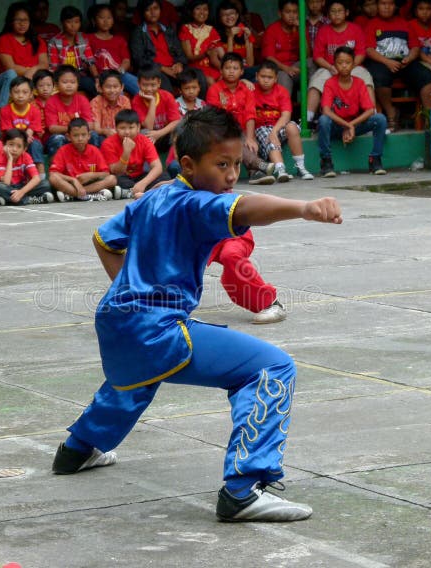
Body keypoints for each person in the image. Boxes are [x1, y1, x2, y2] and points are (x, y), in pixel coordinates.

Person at [51, 106, 343, 524]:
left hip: (118, 321)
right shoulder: (197, 204)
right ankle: (245, 489)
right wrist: (302, 208)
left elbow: (104, 239)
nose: (230, 175)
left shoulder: (156, 194)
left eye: (236, 164)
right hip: (156, 329)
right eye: (221, 164)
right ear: (189, 164)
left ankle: (77, 450)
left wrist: (127, 289)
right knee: (272, 367)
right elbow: (245, 207)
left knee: (143, 370)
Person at [363, 0, 431, 132]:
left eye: (390, 3)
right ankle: (391, 112)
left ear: (395, 6)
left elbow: (415, 47)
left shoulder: (404, 24)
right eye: (383, 3)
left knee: (427, 77)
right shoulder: (371, 24)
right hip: (381, 62)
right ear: (378, 5)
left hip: (405, 63)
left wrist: (409, 58)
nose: (387, 7)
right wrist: (387, 62)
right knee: (379, 77)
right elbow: (368, 50)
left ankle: (430, 119)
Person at [318, 46, 387, 177]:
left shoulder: (360, 83)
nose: (344, 66)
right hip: (336, 126)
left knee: (380, 119)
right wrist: (346, 125)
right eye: (340, 63)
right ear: (335, 64)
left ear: (353, 64)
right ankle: (326, 162)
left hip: (354, 124)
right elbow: (326, 111)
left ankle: (375, 159)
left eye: (348, 62)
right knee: (323, 120)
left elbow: (369, 110)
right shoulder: (330, 83)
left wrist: (351, 125)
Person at [207, 53, 275, 186]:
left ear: (242, 71)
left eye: (235, 68)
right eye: (227, 68)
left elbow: (250, 114)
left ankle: (255, 173)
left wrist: (250, 137)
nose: (231, 71)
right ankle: (259, 164)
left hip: (243, 131)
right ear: (221, 70)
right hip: (221, 131)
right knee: (236, 139)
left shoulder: (246, 89)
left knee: (247, 141)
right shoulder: (214, 90)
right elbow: (214, 117)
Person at [306, 0, 374, 127]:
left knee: (365, 77)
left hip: (352, 67)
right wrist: (330, 67)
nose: (336, 14)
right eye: (333, 11)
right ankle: (308, 118)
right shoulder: (324, 31)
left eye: (340, 11)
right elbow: (317, 56)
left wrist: (350, 67)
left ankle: (372, 116)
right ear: (328, 15)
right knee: (318, 78)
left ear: (347, 13)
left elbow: (361, 53)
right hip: (330, 68)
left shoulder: (355, 29)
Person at [254, 61, 314, 181]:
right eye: (263, 76)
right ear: (256, 76)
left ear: (276, 78)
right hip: (260, 129)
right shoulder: (251, 90)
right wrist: (272, 134)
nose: (266, 80)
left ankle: (301, 167)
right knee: (269, 137)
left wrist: (275, 131)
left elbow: (286, 116)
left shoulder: (281, 91)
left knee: (292, 126)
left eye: (270, 77)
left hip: (278, 127)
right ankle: (280, 169)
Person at [100, 109, 167, 199]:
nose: (127, 132)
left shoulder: (145, 141)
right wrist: (126, 153)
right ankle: (142, 191)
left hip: (139, 176)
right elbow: (116, 171)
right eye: (122, 128)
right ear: (116, 128)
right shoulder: (108, 143)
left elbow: (157, 167)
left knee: (164, 176)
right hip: (122, 177)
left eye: (131, 128)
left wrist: (143, 183)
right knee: (115, 180)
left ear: (138, 128)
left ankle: (130, 192)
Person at [49, 118, 118, 202]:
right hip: (71, 184)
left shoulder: (94, 150)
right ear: (68, 137)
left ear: (89, 136)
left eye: (83, 135)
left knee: (112, 179)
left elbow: (106, 173)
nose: (80, 139)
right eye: (76, 135)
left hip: (90, 184)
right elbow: (53, 173)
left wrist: (91, 175)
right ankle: (89, 195)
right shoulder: (63, 151)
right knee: (53, 178)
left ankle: (74, 195)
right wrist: (73, 180)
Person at [130, 0, 191, 94]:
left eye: (155, 8)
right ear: (143, 12)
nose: (152, 12)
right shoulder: (138, 33)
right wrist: (162, 68)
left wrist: (179, 64)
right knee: (164, 85)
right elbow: (139, 59)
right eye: (148, 10)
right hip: (153, 70)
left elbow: (180, 53)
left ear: (160, 10)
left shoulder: (168, 30)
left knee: (197, 77)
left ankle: (199, 108)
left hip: (173, 68)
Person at [44, 65, 100, 158]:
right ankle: (57, 168)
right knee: (57, 139)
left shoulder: (82, 100)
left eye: (73, 82)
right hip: (62, 136)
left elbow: (90, 125)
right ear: (57, 84)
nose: (69, 85)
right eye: (65, 82)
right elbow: (52, 128)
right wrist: (74, 130)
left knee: (93, 135)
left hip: (80, 136)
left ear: (78, 84)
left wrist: (77, 133)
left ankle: (91, 164)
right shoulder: (51, 101)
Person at [87, 4, 139, 97]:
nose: (106, 21)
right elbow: (89, 60)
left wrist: (120, 71)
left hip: (120, 74)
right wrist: (97, 77)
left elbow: (126, 60)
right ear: (94, 20)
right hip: (101, 76)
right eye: (102, 17)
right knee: (116, 95)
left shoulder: (119, 40)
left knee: (143, 88)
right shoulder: (89, 39)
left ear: (113, 20)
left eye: (109, 18)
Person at [48, 6, 99, 99]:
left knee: (92, 85)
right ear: (62, 23)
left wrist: (96, 78)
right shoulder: (55, 42)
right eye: (69, 22)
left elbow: (90, 61)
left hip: (80, 76)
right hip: (62, 77)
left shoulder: (83, 38)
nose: (73, 25)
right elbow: (53, 68)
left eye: (76, 22)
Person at [0, 128, 54, 205]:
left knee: (45, 184)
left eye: (19, 146)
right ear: (4, 145)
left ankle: (9, 199)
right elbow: (6, 183)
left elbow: (36, 178)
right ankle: (29, 200)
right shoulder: (0, 159)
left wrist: (22, 192)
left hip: (22, 187)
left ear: (24, 149)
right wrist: (10, 160)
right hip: (8, 187)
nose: (14, 149)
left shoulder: (26, 157)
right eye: (11, 145)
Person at [0, 76, 45, 176]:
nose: (20, 96)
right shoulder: (5, 110)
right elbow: (9, 131)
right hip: (12, 141)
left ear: (31, 94)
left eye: (25, 92)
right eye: (16, 92)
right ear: (10, 94)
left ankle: (41, 174)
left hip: (30, 142)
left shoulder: (35, 111)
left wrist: (27, 135)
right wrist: (23, 138)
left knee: (35, 144)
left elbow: (32, 129)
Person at [132, 64, 181, 157]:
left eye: (153, 85)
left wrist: (159, 133)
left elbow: (176, 121)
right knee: (142, 133)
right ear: (138, 84)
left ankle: (175, 157)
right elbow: (148, 126)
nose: (149, 89)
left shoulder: (167, 96)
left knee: (181, 126)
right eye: (145, 85)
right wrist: (152, 101)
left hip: (165, 134)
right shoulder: (136, 100)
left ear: (159, 83)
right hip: (150, 137)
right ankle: (149, 160)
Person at [0, 2, 50, 82]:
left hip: (36, 80)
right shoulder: (4, 40)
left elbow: (44, 64)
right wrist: (30, 73)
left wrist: (32, 71)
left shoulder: (38, 40)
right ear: (11, 21)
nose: (22, 24)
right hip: (14, 82)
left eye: (25, 20)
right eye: (18, 20)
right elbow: (10, 67)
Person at [262, 0, 302, 96]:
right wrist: (286, 68)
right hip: (279, 69)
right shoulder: (272, 30)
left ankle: (311, 110)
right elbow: (269, 57)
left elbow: (307, 55)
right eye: (288, 12)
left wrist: (301, 31)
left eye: (295, 12)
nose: (292, 15)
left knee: (311, 63)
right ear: (280, 13)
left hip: (296, 68)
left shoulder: (300, 28)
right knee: (284, 77)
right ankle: (285, 110)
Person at [179, 0, 222, 85]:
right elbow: (189, 57)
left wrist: (225, 68)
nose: (202, 12)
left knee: (225, 77)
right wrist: (206, 54)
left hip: (212, 67)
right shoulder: (185, 29)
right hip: (194, 68)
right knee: (210, 81)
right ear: (191, 11)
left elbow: (220, 53)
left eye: (205, 9)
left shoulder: (211, 30)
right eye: (198, 9)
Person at [214, 1, 257, 80]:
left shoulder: (244, 32)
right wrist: (230, 38)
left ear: (237, 15)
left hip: (245, 72)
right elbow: (228, 64)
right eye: (224, 15)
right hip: (229, 73)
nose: (229, 17)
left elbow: (250, 64)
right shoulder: (215, 37)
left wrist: (248, 40)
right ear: (219, 18)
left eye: (232, 13)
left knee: (260, 72)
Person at [91, 69, 132, 147]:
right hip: (103, 136)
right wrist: (106, 131)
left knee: (142, 133)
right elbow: (96, 128)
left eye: (115, 86)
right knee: (94, 136)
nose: (112, 90)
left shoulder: (125, 101)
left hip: (122, 135)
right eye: (108, 87)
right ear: (100, 88)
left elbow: (128, 123)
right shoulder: (96, 102)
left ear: (122, 87)